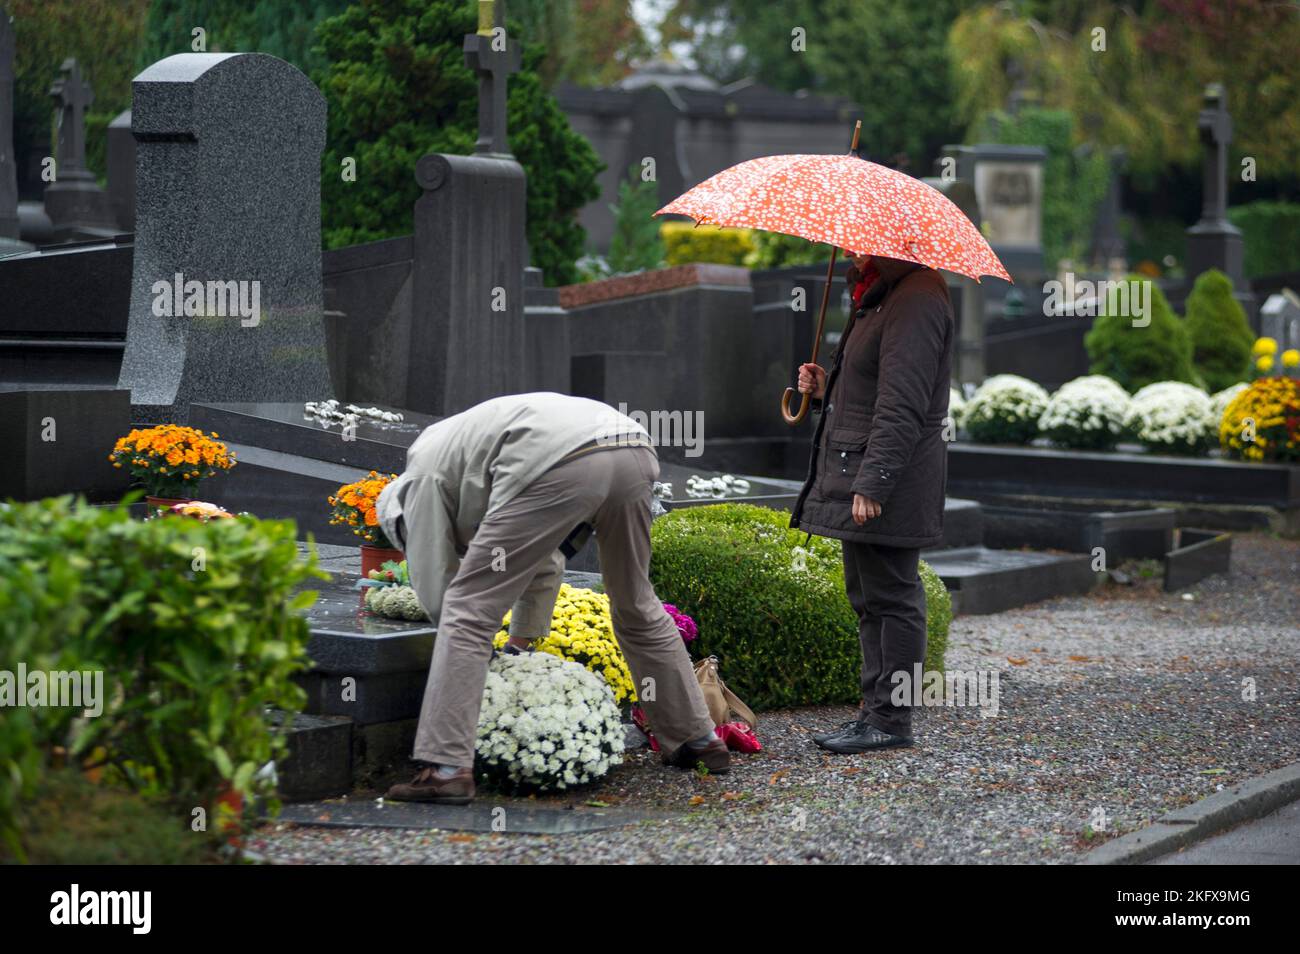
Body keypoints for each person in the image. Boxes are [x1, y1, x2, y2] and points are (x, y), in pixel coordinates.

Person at [376, 392, 726, 804]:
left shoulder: (420, 480)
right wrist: (520, 644)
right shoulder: (462, 461)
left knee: (467, 609)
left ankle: (446, 769)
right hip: (631, 448)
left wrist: (479, 648)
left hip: (562, 459)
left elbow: (441, 583)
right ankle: (698, 739)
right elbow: (545, 557)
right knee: (636, 602)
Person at [790, 252, 954, 753]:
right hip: (862, 466)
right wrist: (825, 389)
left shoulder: (917, 299)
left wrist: (875, 480)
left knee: (893, 595)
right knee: (868, 596)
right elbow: (871, 386)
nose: (853, 248)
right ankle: (873, 714)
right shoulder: (881, 294)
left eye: (861, 243)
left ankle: (891, 720)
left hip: (888, 475)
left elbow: (903, 402)